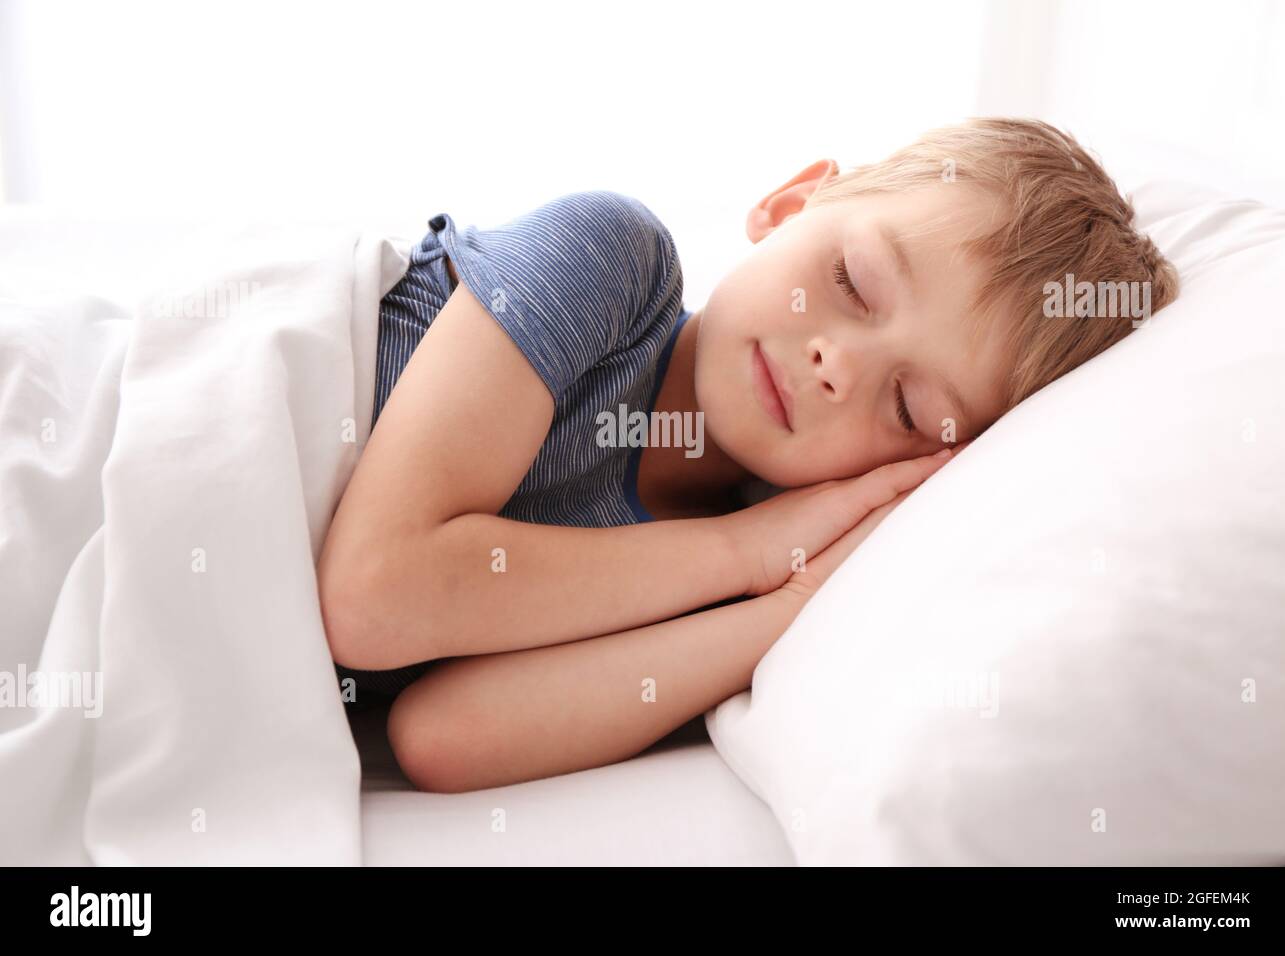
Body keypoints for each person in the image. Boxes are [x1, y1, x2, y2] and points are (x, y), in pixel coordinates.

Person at [319, 117, 1179, 792]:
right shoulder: (607, 259)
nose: (835, 365)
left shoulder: (723, 583)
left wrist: (780, 604)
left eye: (910, 405)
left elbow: (440, 739)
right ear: (793, 201)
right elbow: (371, 596)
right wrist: (746, 552)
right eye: (853, 282)